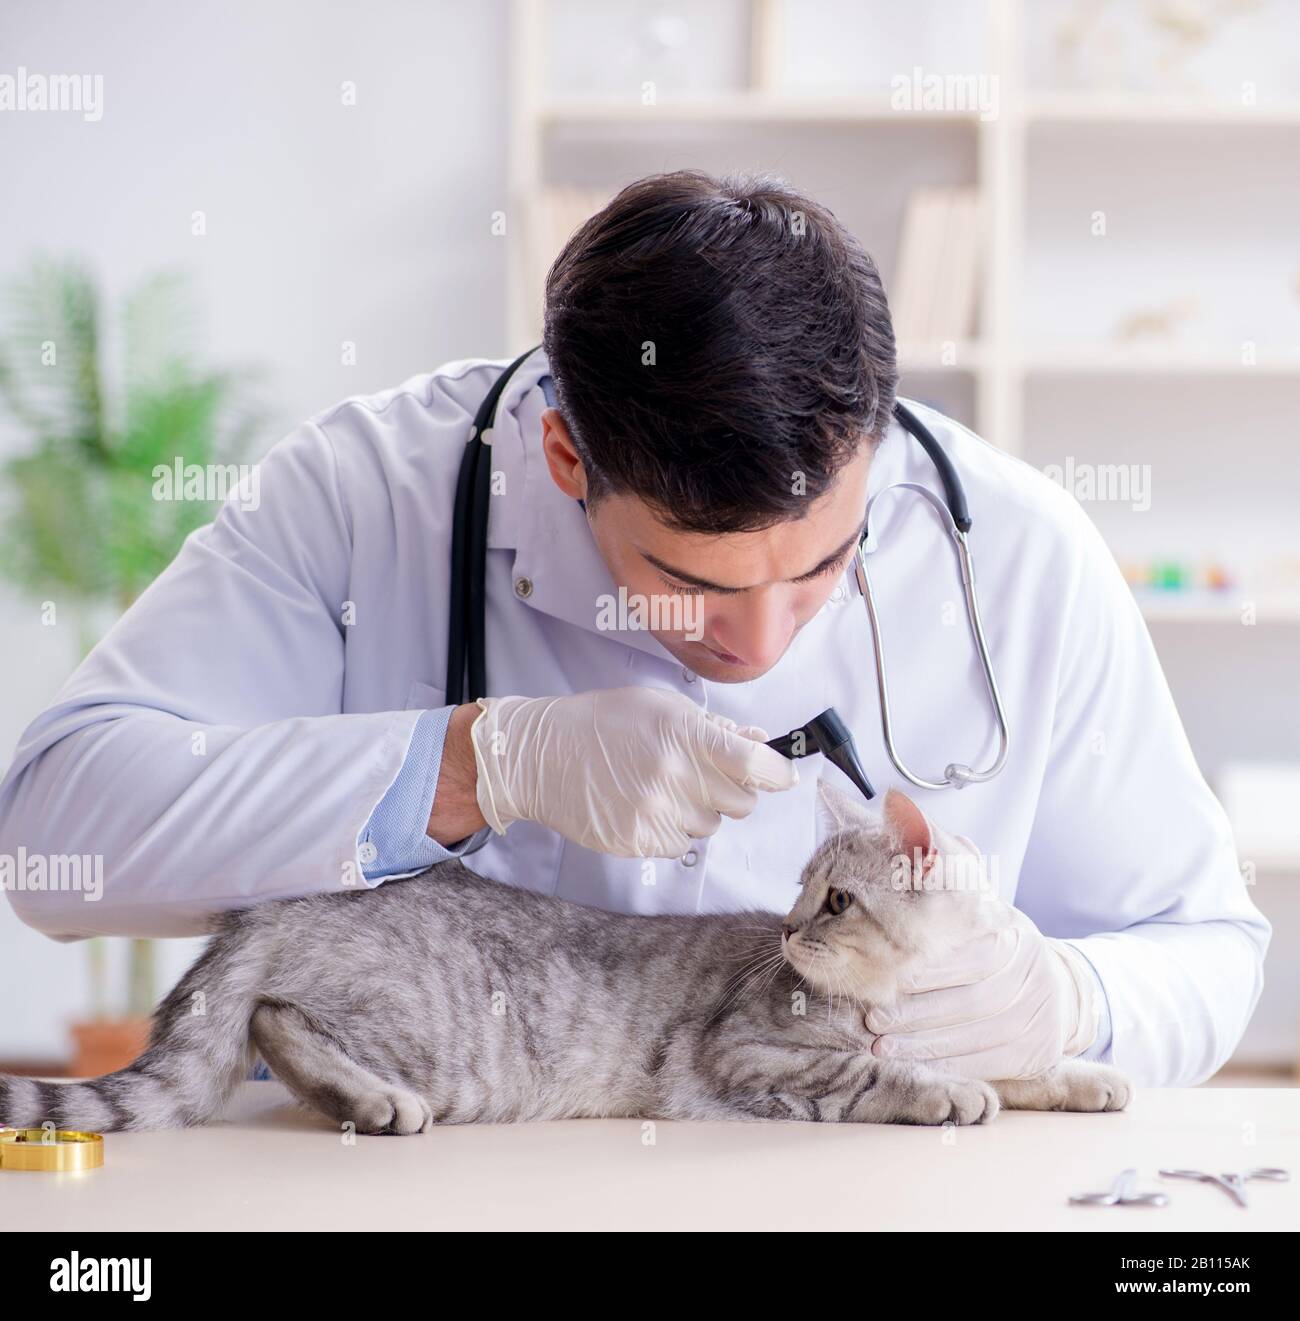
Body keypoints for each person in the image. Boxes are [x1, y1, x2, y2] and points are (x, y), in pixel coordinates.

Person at [0, 171, 1267, 1088]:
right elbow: (50, 836)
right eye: (691, 581)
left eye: (824, 566)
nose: (761, 645)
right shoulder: (367, 495)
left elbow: (1207, 948)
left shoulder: (1021, 549)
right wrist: (477, 762)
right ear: (564, 453)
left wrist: (1065, 1003)